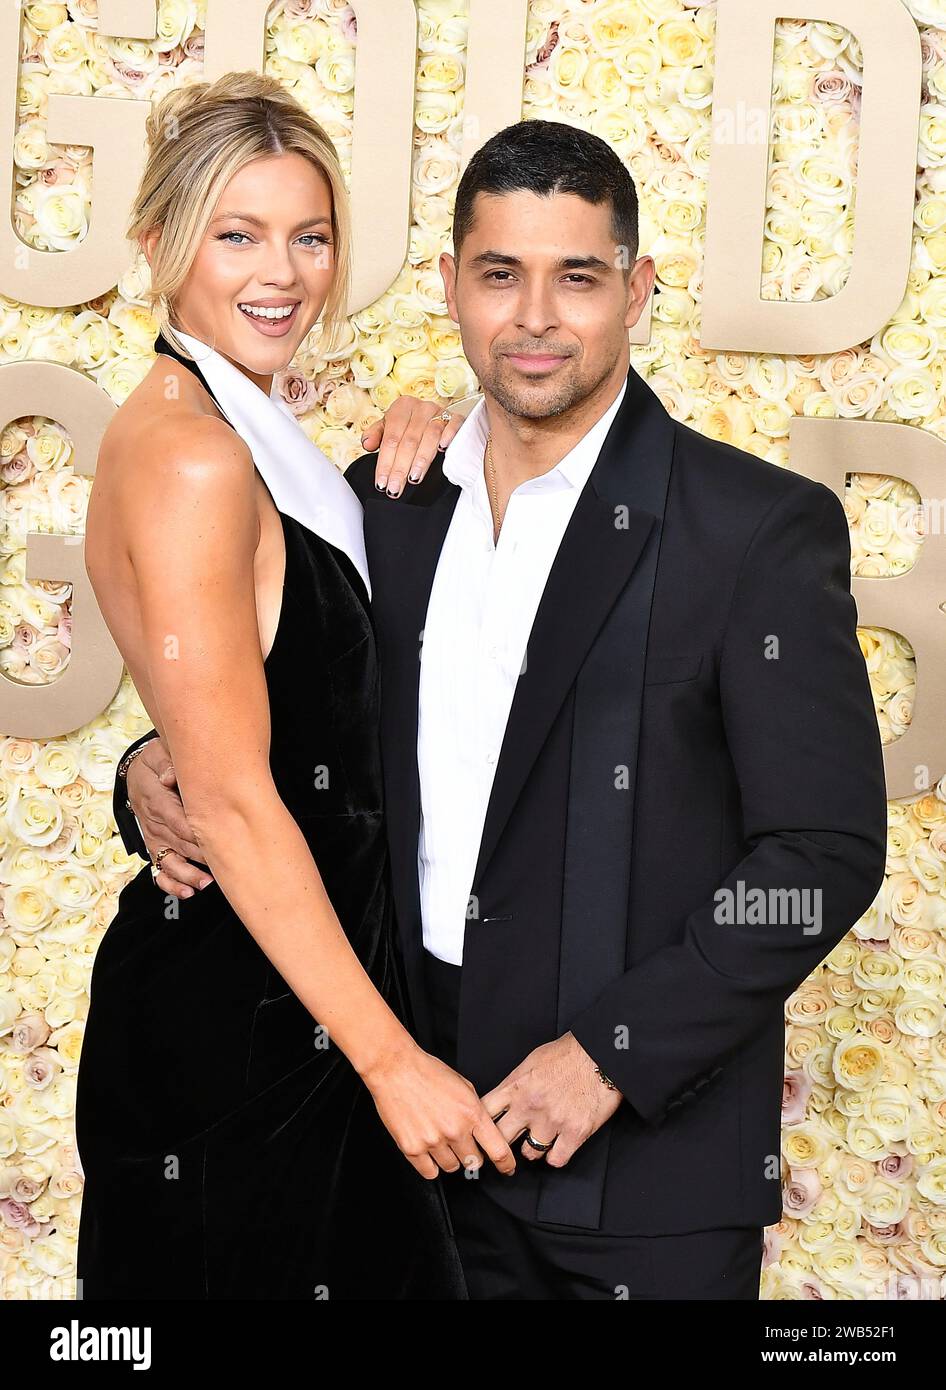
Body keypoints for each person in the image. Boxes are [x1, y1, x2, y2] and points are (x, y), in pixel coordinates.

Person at [117, 120, 889, 1300]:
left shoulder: (754, 529)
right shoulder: (384, 503)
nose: (535, 317)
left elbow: (823, 853)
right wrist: (154, 764)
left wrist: (609, 1057)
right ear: (449, 287)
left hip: (644, 1181)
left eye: (576, 275)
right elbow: (296, 714)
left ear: (634, 289)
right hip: (396, 1143)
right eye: (499, 274)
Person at [74, 71, 518, 1303]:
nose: (282, 272)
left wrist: (435, 440)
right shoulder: (193, 455)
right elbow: (228, 800)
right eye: (237, 233)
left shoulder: (238, 422)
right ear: (159, 243)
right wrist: (390, 1063)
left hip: (303, 984)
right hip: (253, 1028)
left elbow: (295, 689)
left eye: (308, 236)